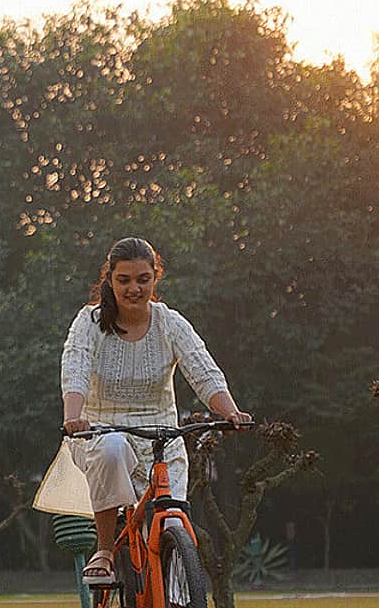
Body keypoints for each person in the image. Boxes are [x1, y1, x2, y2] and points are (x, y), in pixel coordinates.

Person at [59, 237, 252, 587]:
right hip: (99, 432)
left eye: (143, 279)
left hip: (161, 438)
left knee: (174, 525)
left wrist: (231, 413)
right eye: (124, 280)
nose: (134, 288)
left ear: (155, 277)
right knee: (112, 448)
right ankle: (104, 550)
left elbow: (201, 368)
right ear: (110, 280)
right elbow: (76, 367)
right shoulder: (89, 322)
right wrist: (74, 416)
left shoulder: (170, 323)